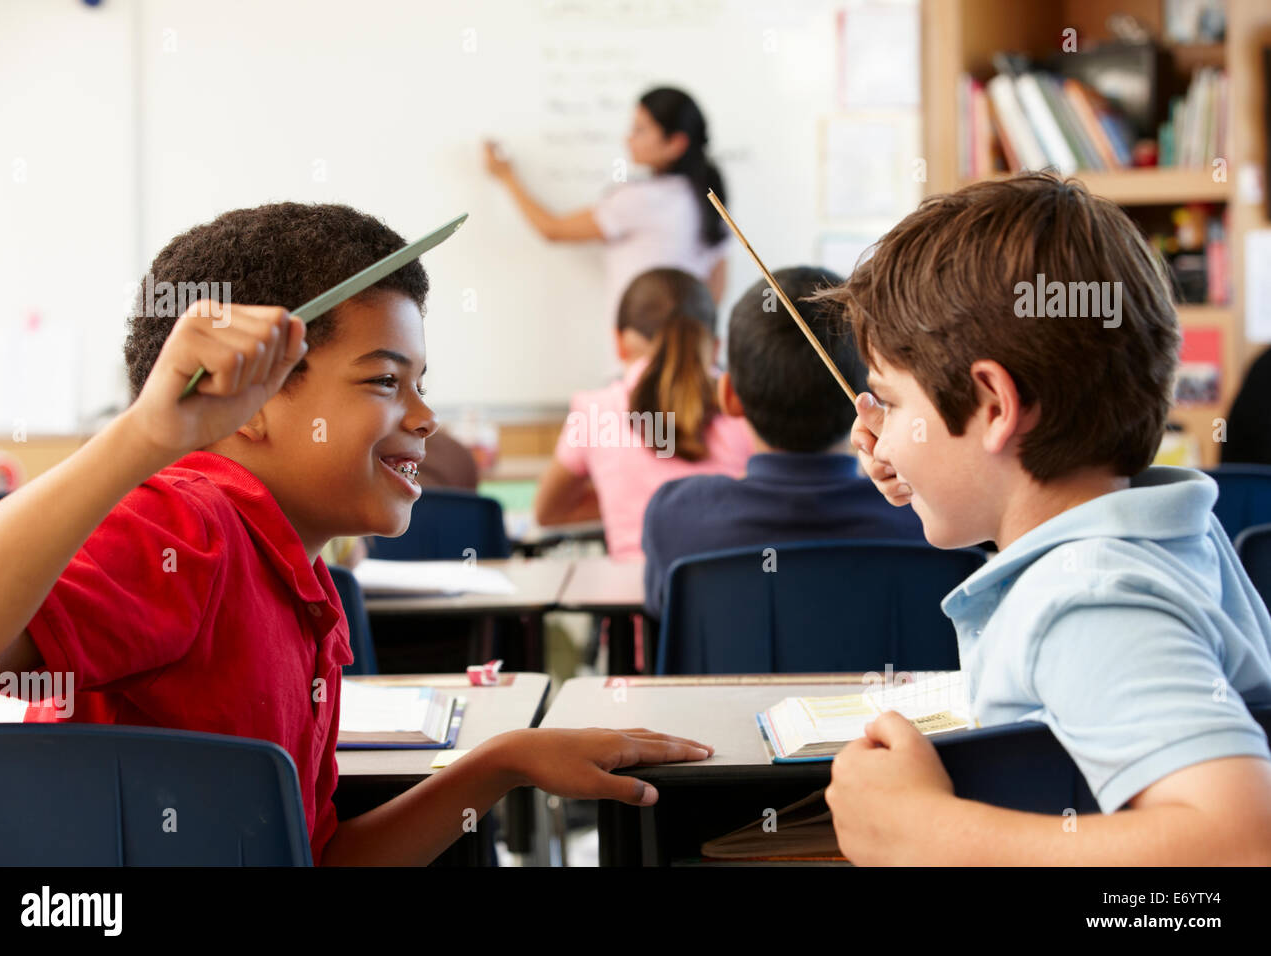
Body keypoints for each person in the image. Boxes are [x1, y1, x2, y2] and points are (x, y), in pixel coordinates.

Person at [0, 202, 713, 866]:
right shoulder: (191, 525)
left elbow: (317, 855)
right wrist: (143, 437)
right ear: (246, 405)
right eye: (385, 381)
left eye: (421, 382)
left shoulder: (304, 585)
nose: (424, 416)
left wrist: (501, 764)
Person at [821, 172, 1271, 864]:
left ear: (995, 407)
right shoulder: (1156, 533)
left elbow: (1240, 843)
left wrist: (929, 835)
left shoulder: (1087, 599)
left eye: (894, 405)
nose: (877, 433)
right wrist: (924, 461)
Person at [640, 266, 924, 619]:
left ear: (728, 396)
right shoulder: (925, 519)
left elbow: (658, 615)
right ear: (869, 397)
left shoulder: (676, 516)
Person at [536, 268, 754, 560]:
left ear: (619, 342)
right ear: (715, 347)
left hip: (635, 603)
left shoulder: (594, 413)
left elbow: (549, 512)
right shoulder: (745, 405)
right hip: (735, 599)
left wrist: (623, 499)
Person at [485, 87, 731, 326]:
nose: (628, 138)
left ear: (676, 143)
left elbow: (552, 230)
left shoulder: (642, 199)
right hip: (692, 357)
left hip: (641, 353)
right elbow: (716, 287)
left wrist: (506, 176)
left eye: (640, 130)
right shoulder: (707, 197)